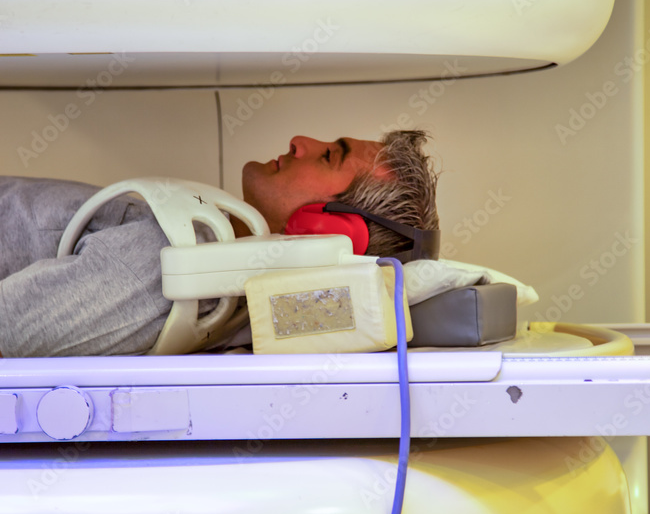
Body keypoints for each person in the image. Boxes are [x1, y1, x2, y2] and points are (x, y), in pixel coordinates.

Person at [0, 129, 439, 357]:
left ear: (322, 229)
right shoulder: (204, 251)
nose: (301, 141)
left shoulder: (180, 269)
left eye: (329, 155)